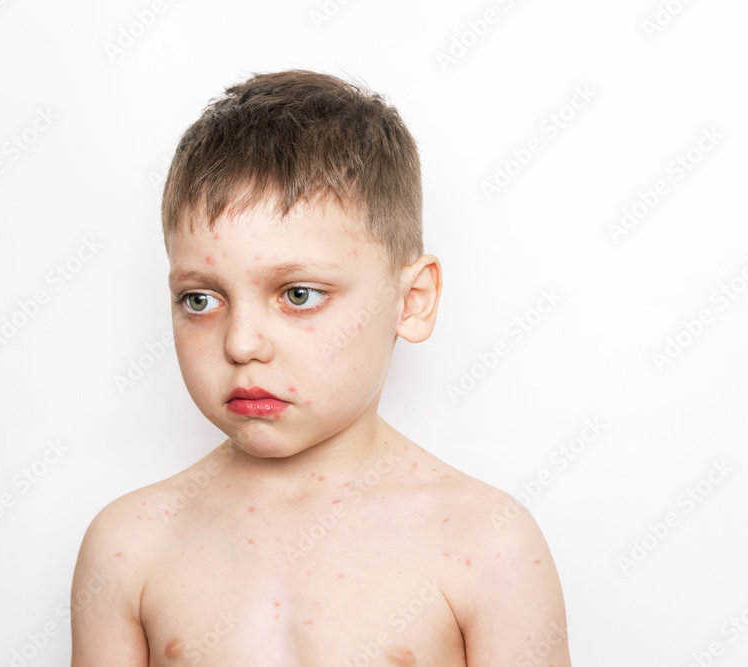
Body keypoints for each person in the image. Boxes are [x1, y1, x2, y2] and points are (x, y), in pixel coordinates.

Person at [70, 69, 571, 666]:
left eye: (299, 294)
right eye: (200, 299)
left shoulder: (486, 542)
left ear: (411, 302)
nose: (241, 343)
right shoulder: (130, 546)